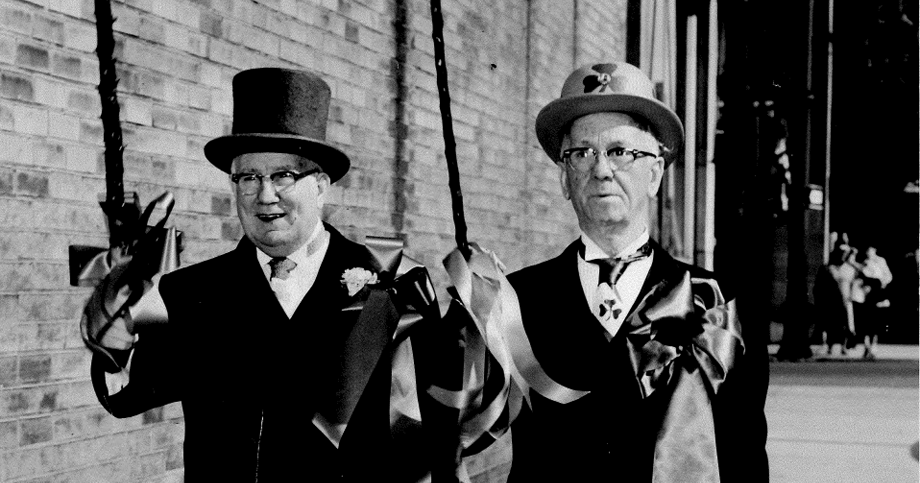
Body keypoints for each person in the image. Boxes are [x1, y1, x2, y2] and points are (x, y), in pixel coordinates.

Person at [81, 68, 439, 482]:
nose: (264, 195)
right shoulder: (191, 291)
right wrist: (113, 341)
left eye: (284, 175)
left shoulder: (389, 285)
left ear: (321, 185)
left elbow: (429, 427)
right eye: (248, 177)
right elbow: (128, 396)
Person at [503, 62, 769, 481]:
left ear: (656, 173)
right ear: (564, 179)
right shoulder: (513, 299)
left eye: (620, 152)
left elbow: (743, 454)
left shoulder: (714, 302)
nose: (602, 169)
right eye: (582, 153)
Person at [814, 244, 858, 356]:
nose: (843, 256)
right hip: (831, 300)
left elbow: (854, 283)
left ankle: (844, 347)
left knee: (846, 325)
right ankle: (829, 346)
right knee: (830, 324)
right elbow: (819, 285)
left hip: (846, 300)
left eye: (845, 254)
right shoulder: (827, 268)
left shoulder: (850, 269)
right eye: (841, 253)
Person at [855, 245, 893, 359]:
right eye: (867, 250)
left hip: (877, 290)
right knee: (866, 321)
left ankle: (873, 345)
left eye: (870, 250)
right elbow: (860, 276)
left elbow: (888, 275)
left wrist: (882, 284)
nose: (868, 252)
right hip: (867, 293)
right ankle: (867, 346)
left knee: (875, 320)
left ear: (874, 250)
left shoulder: (880, 261)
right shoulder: (864, 262)